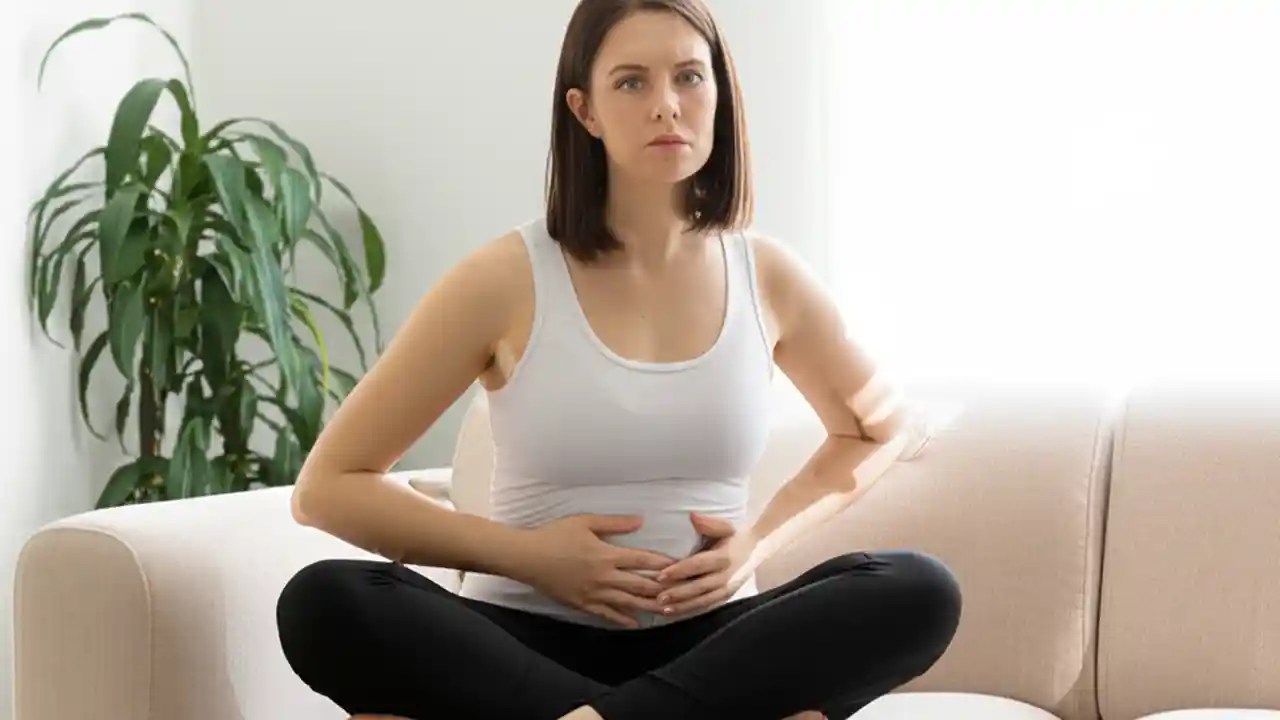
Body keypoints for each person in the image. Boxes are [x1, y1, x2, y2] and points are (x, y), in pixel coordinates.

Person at [275, 0, 960, 718]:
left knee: (919, 588)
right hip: (523, 640)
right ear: (585, 110)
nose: (667, 105)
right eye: (631, 82)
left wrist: (753, 544)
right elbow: (328, 487)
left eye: (690, 78)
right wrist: (531, 557)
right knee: (325, 600)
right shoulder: (503, 278)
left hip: (712, 647)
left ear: (719, 95)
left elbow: (876, 427)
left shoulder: (768, 275)